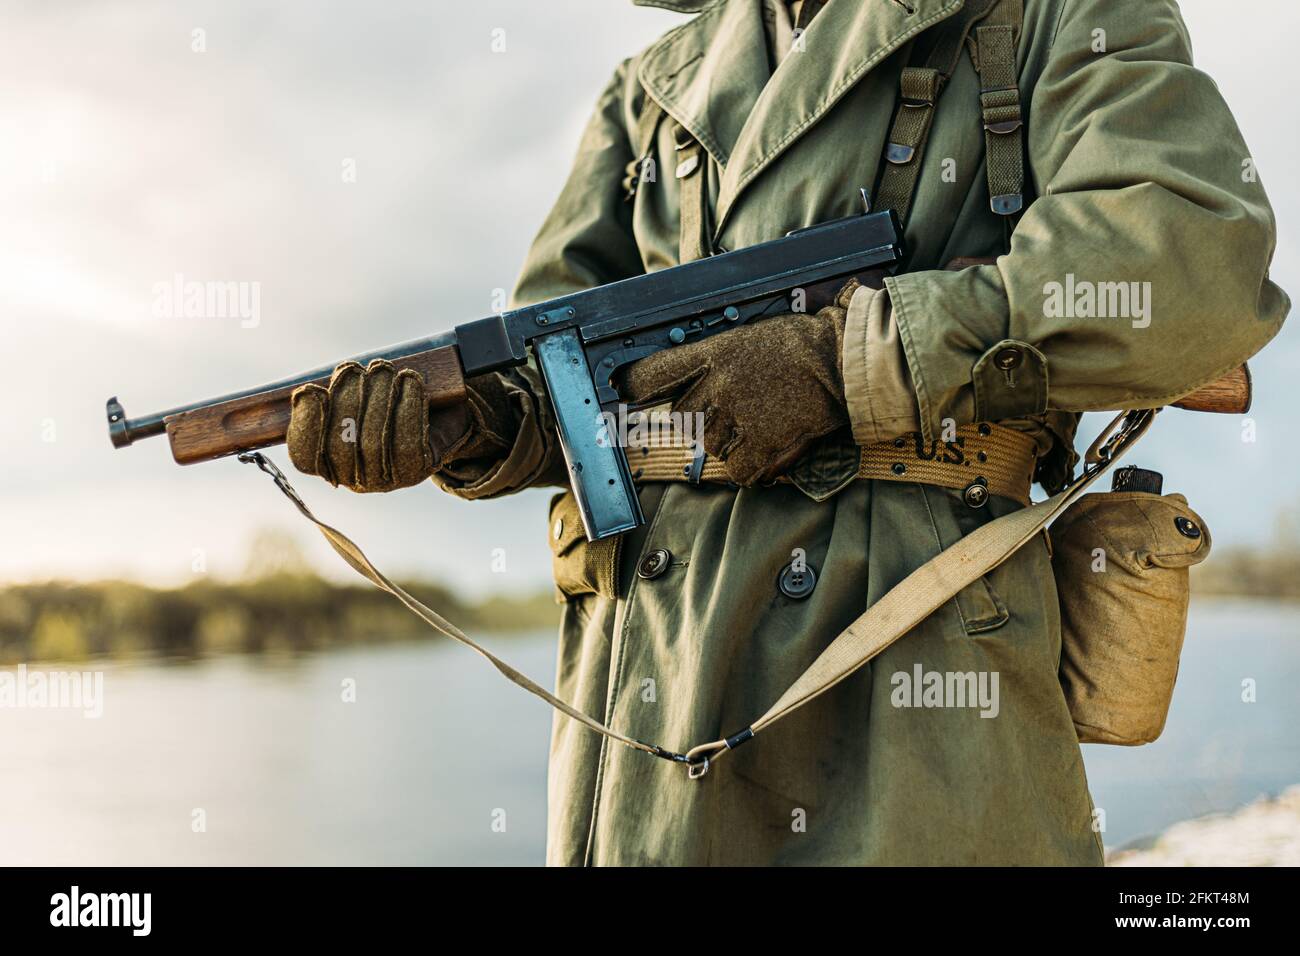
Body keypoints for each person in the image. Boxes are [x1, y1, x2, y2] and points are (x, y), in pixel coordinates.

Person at [285, 0, 1288, 865]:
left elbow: (1191, 252)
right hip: (649, 677)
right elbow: (557, 373)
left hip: (908, 668)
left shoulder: (1042, 17)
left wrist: (850, 360)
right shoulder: (648, 90)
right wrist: (466, 426)